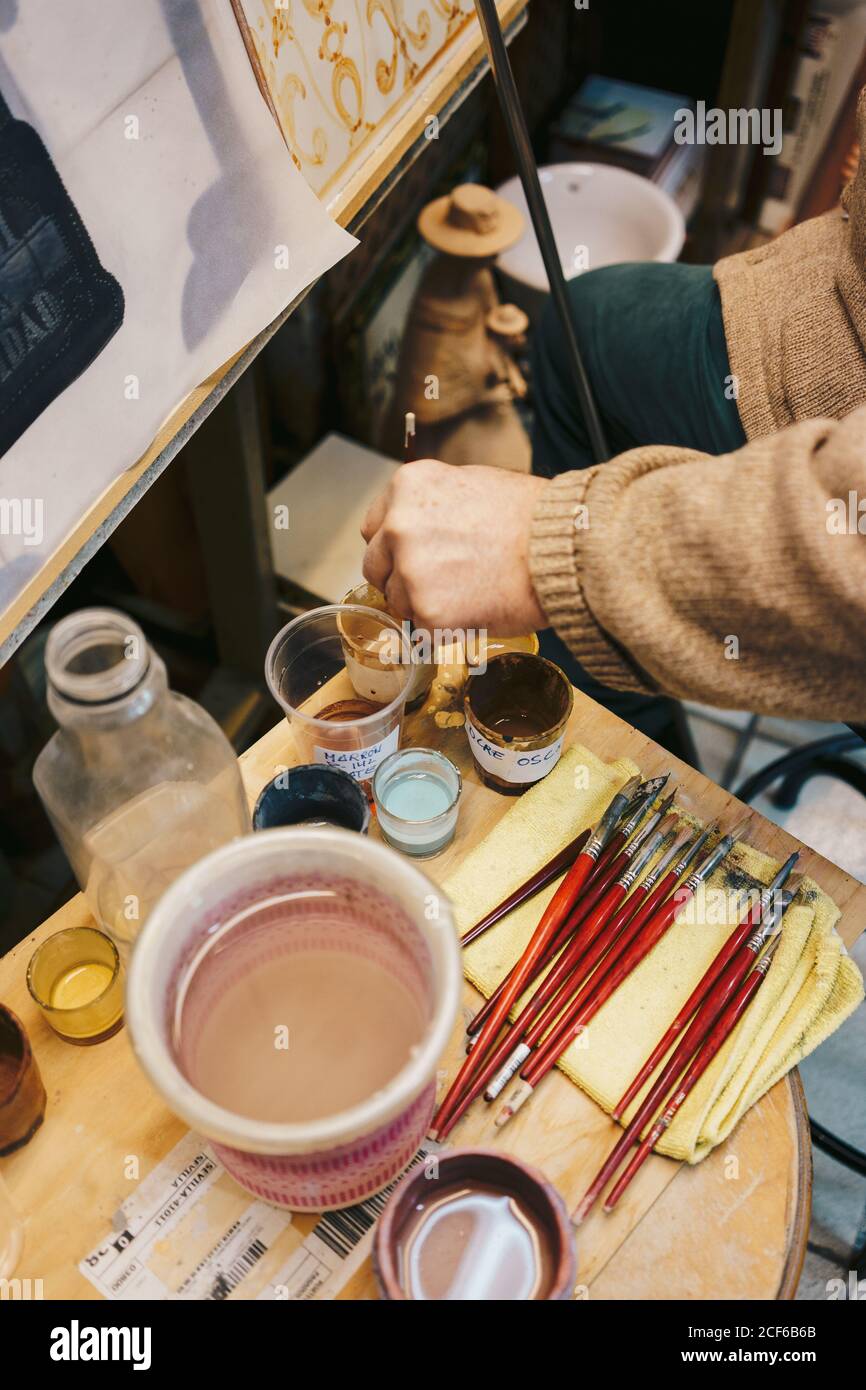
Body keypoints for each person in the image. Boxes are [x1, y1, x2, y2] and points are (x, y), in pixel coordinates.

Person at [361, 98, 866, 724]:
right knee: (584, 320)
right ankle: (631, 703)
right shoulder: (447, 296)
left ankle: (612, 720)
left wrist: (549, 550)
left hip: (845, 416)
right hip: (836, 286)